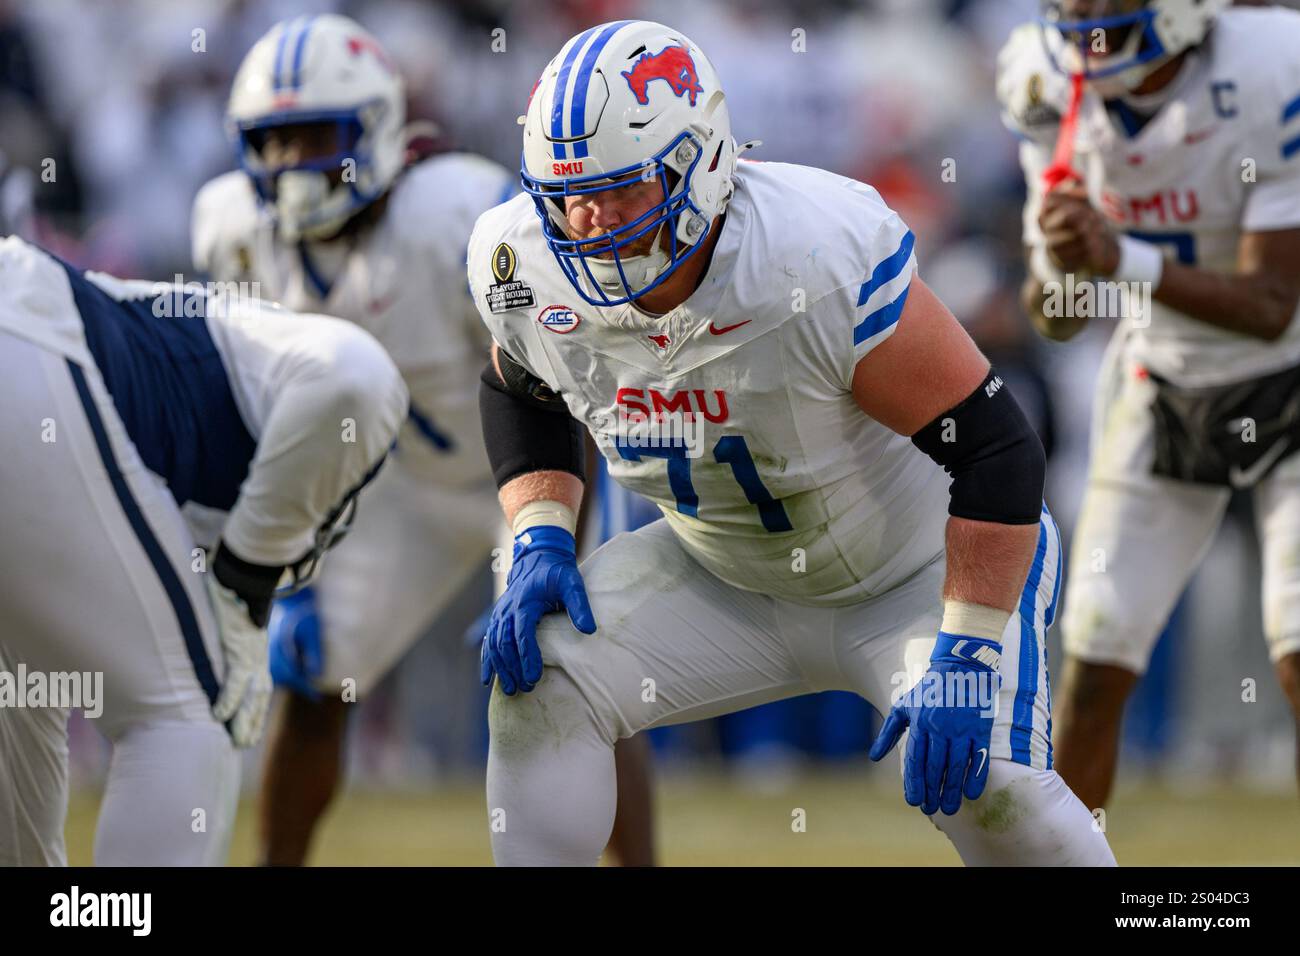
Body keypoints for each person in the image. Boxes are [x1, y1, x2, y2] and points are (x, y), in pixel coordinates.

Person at [468, 18, 1115, 865]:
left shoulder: (811, 253)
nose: (586, 223)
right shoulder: (520, 257)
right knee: (541, 672)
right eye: (566, 195)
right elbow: (520, 384)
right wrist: (541, 534)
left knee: (993, 789)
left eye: (620, 192)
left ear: (696, 165)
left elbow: (998, 450)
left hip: (915, 578)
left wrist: (966, 646)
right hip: (724, 573)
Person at [193, 13, 655, 865]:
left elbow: (551, 379)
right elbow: (261, 412)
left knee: (575, 665)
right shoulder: (233, 231)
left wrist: (552, 545)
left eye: (313, 137)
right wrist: (291, 579)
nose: (293, 164)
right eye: (274, 141)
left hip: (530, 468)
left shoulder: (456, 214)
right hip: (393, 486)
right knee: (315, 673)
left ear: (371, 129)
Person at [0, 235, 407, 864]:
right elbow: (358, 379)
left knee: (21, 697)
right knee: (185, 714)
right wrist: (246, 581)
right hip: (26, 335)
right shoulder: (282, 362)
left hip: (26, 341)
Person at [999, 0, 1300, 811]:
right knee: (1094, 663)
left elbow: (1273, 301)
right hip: (1159, 378)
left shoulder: (1272, 62)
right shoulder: (1043, 80)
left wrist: (1118, 255)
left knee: (1297, 650)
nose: (1085, 15)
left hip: (1292, 372)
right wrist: (1065, 264)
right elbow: (1052, 317)